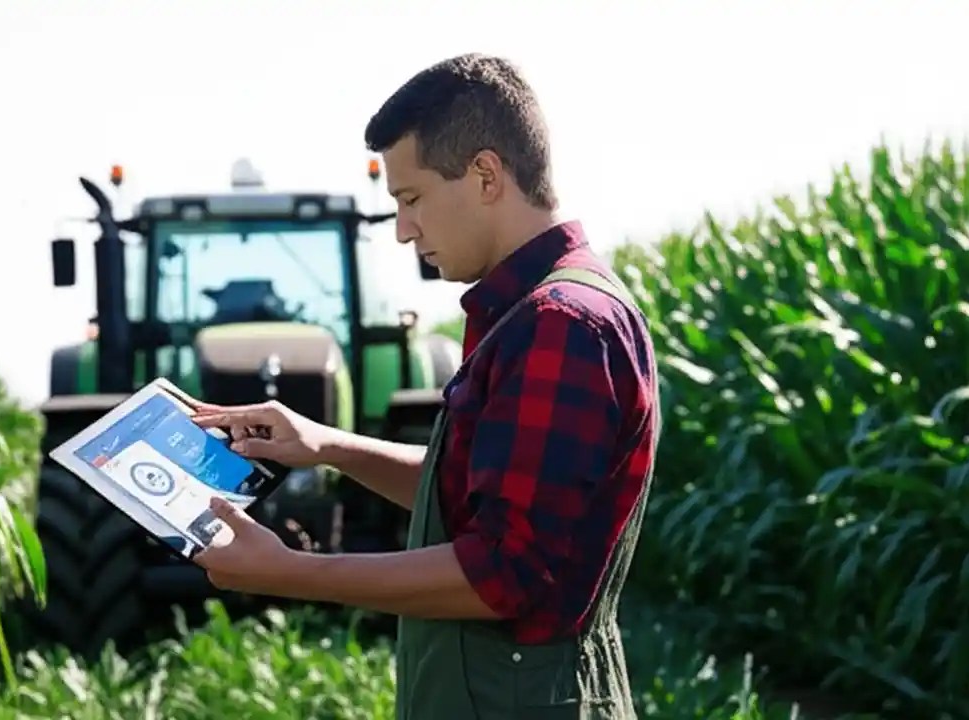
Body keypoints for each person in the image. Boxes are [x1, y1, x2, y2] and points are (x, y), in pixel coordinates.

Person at [188, 52, 661, 720]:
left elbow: (506, 571)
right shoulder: (526, 313)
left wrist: (291, 571)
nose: (405, 229)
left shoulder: (561, 325)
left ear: (486, 175)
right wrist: (329, 446)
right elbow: (474, 497)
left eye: (411, 200)